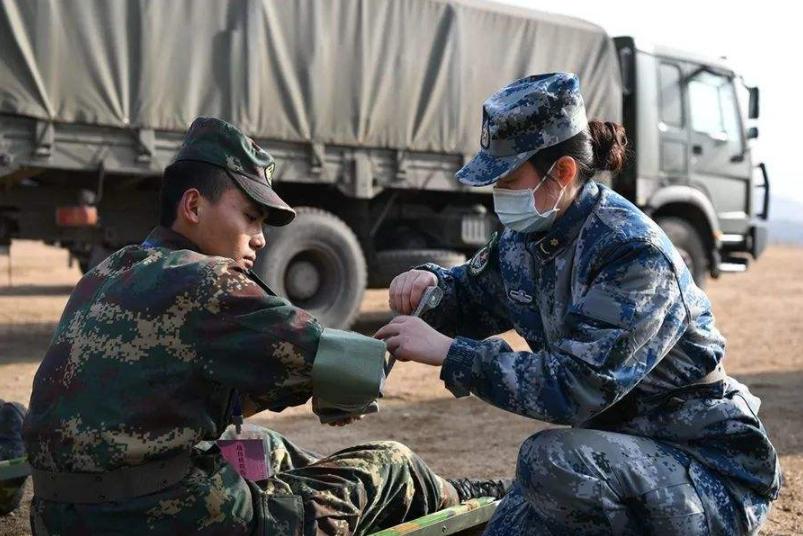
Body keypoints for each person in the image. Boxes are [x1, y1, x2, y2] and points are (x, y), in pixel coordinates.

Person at [22, 117, 508, 535]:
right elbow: (350, 369)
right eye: (251, 217)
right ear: (193, 206)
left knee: (264, 446)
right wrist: (409, 330)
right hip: (161, 518)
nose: (259, 239)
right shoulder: (208, 280)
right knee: (391, 466)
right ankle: (470, 498)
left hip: (60, 515)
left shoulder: (107, 272)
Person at [377, 73, 781, 535]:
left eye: (509, 179)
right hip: (623, 454)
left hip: (706, 471)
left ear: (564, 172)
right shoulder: (527, 238)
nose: (499, 194)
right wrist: (431, 285)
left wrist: (452, 354)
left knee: (551, 461)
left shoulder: (633, 254)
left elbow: (573, 387)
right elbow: (472, 296)